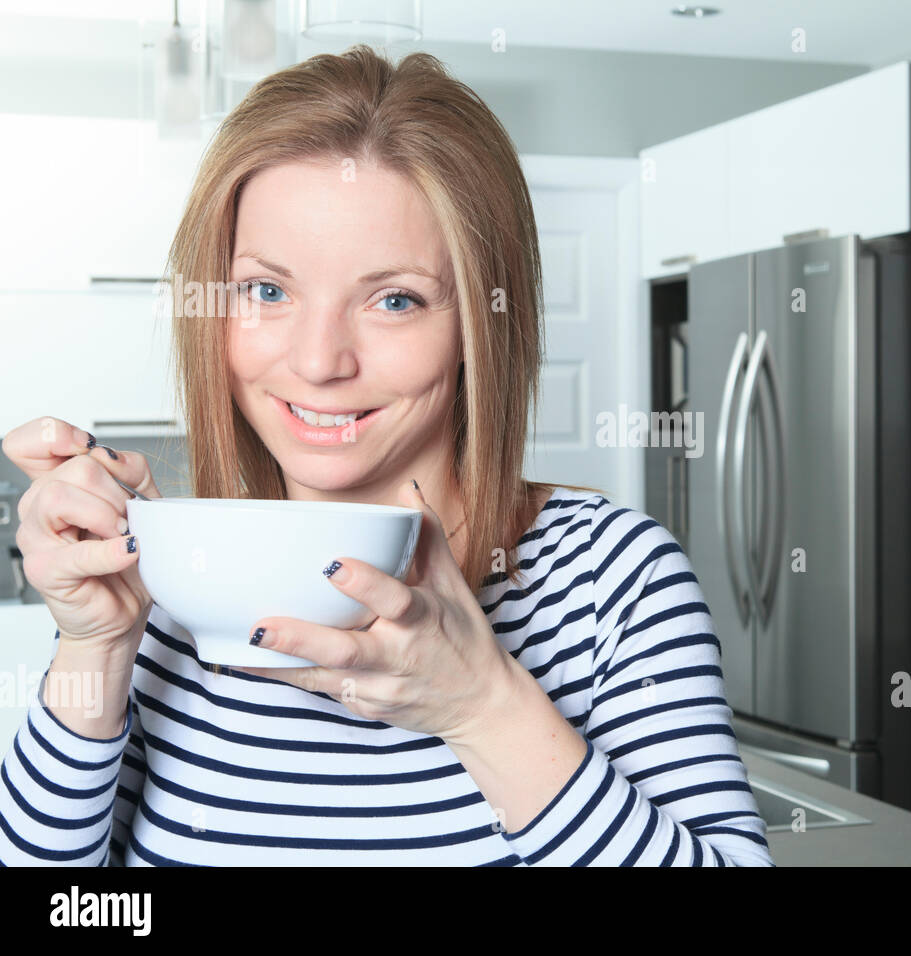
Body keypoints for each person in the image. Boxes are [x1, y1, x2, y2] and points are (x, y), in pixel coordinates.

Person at [0, 46, 771, 866]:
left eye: (394, 299)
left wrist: (483, 707)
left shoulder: (612, 581)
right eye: (267, 290)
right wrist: (97, 648)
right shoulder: (174, 587)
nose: (319, 361)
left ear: (480, 327)